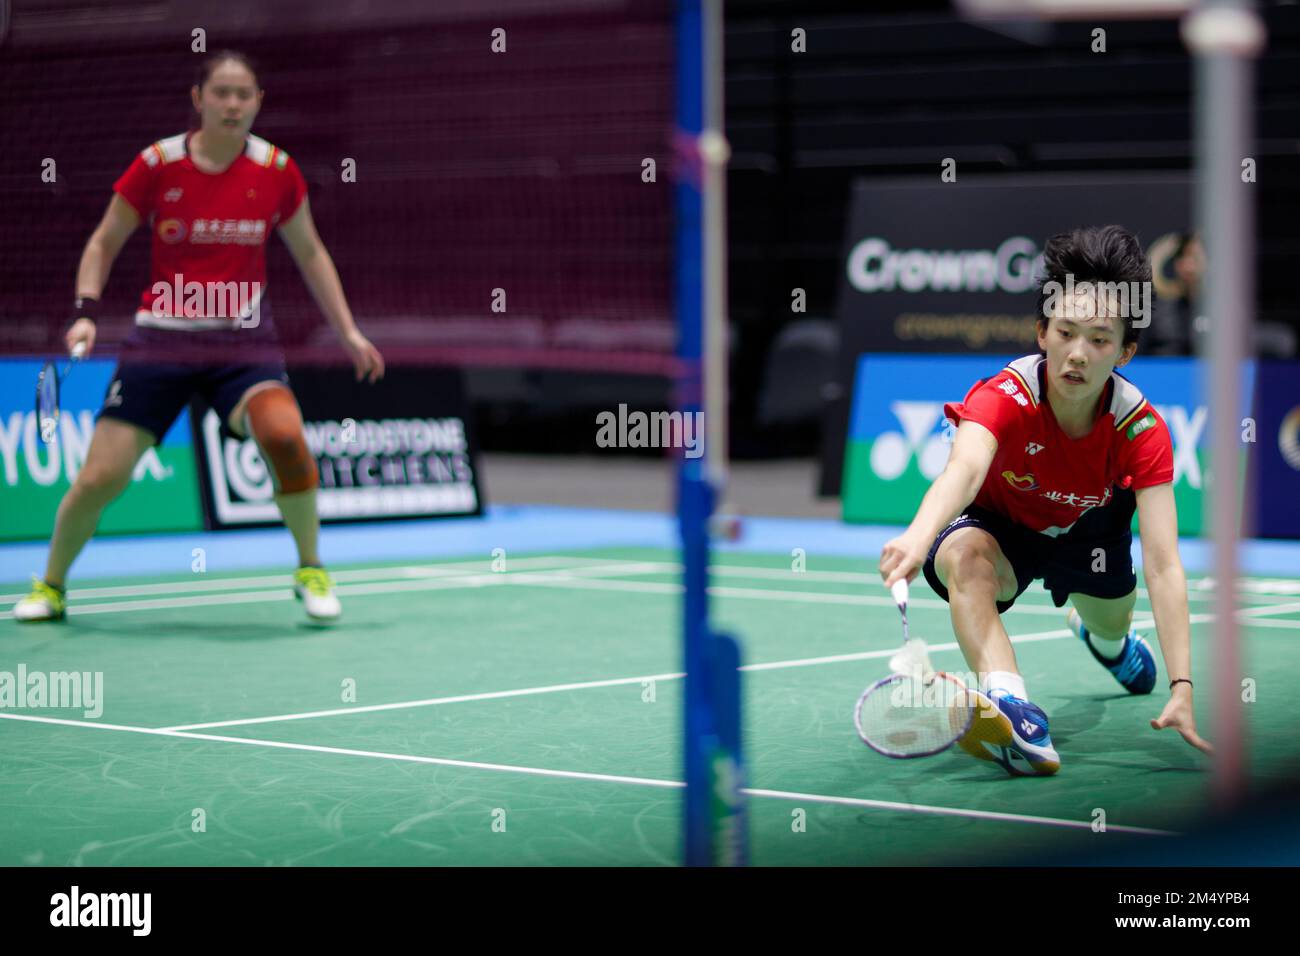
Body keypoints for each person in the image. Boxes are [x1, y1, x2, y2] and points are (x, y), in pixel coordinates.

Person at [13, 50, 385, 625]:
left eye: (244, 94)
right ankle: (52, 585)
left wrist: (349, 332)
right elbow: (103, 242)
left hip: (242, 345)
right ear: (199, 99)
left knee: (285, 438)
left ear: (259, 101)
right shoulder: (158, 164)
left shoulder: (277, 169)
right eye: (222, 93)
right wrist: (86, 311)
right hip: (159, 343)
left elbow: (310, 253)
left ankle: (310, 566)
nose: (233, 105)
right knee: (99, 478)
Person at [878, 225, 1212, 776]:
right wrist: (917, 536)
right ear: (1042, 332)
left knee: (1110, 625)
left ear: (1125, 351)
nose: (1078, 355)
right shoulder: (1004, 396)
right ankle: (1014, 708)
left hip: (1093, 530)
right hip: (1002, 523)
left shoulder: (1141, 429)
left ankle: (1108, 643)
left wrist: (1182, 685)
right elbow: (963, 468)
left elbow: (1164, 563)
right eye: (1066, 332)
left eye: (1100, 340)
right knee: (963, 558)